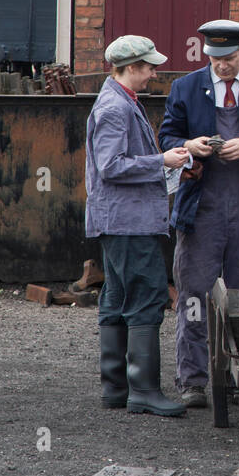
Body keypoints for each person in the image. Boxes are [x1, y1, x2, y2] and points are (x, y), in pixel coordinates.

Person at [159, 20, 239, 408]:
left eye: (230, 58)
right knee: (193, 295)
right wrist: (189, 145)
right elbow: (166, 136)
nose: (222, 65)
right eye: (215, 59)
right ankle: (193, 381)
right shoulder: (185, 87)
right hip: (200, 208)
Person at [85, 35, 193, 418]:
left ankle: (116, 389)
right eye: (148, 67)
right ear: (131, 67)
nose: (152, 74)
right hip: (130, 223)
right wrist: (162, 161)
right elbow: (111, 166)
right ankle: (144, 391)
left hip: (120, 222)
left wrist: (168, 163)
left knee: (116, 299)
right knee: (146, 297)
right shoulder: (116, 107)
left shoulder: (121, 101)